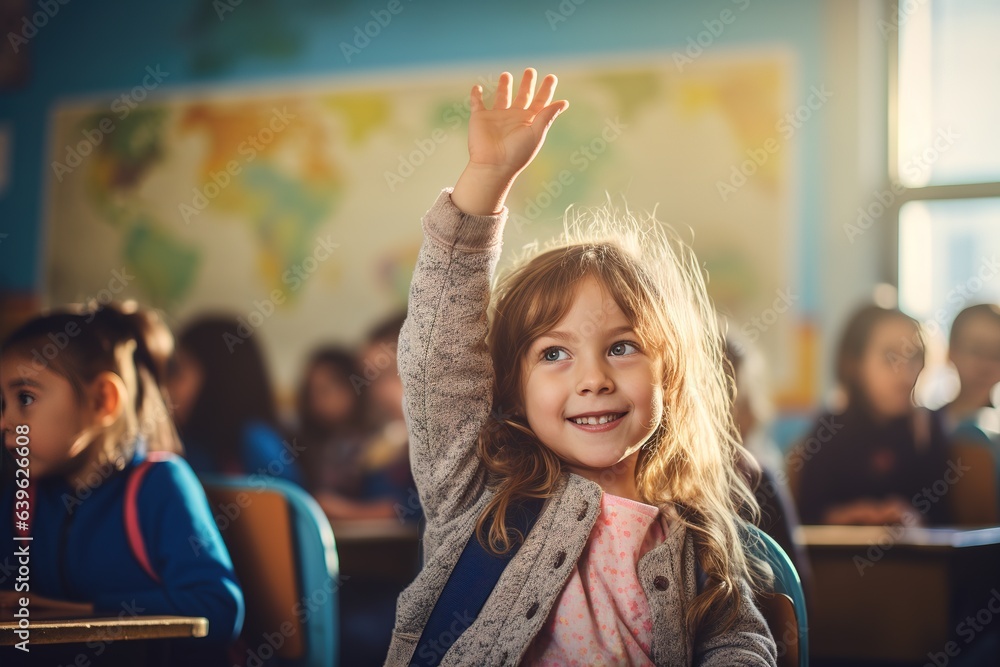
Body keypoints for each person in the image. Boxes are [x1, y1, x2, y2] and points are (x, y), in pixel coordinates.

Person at [385, 68, 776, 666]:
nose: (593, 378)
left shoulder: (694, 528)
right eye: (554, 354)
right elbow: (438, 360)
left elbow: (740, 637)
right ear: (512, 391)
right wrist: (485, 181)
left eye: (621, 347)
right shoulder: (478, 493)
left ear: (667, 374)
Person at [0, 302, 244, 665]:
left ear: (102, 400)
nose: (6, 422)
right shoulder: (28, 494)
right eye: (2, 404)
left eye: (25, 399)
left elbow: (218, 609)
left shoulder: (161, 484)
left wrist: (86, 611)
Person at [796, 304, 952, 526]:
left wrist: (911, 518)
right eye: (890, 357)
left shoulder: (928, 428)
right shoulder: (829, 428)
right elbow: (806, 516)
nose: (905, 370)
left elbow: (944, 519)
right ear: (854, 364)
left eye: (914, 356)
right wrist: (852, 516)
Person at [168, 315, 302, 485]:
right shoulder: (186, 445)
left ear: (216, 380)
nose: (168, 387)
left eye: (177, 373)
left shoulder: (255, 443)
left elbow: (290, 507)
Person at [938, 303, 1000, 437]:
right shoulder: (921, 425)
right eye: (976, 350)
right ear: (951, 352)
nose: (986, 365)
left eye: (996, 353)